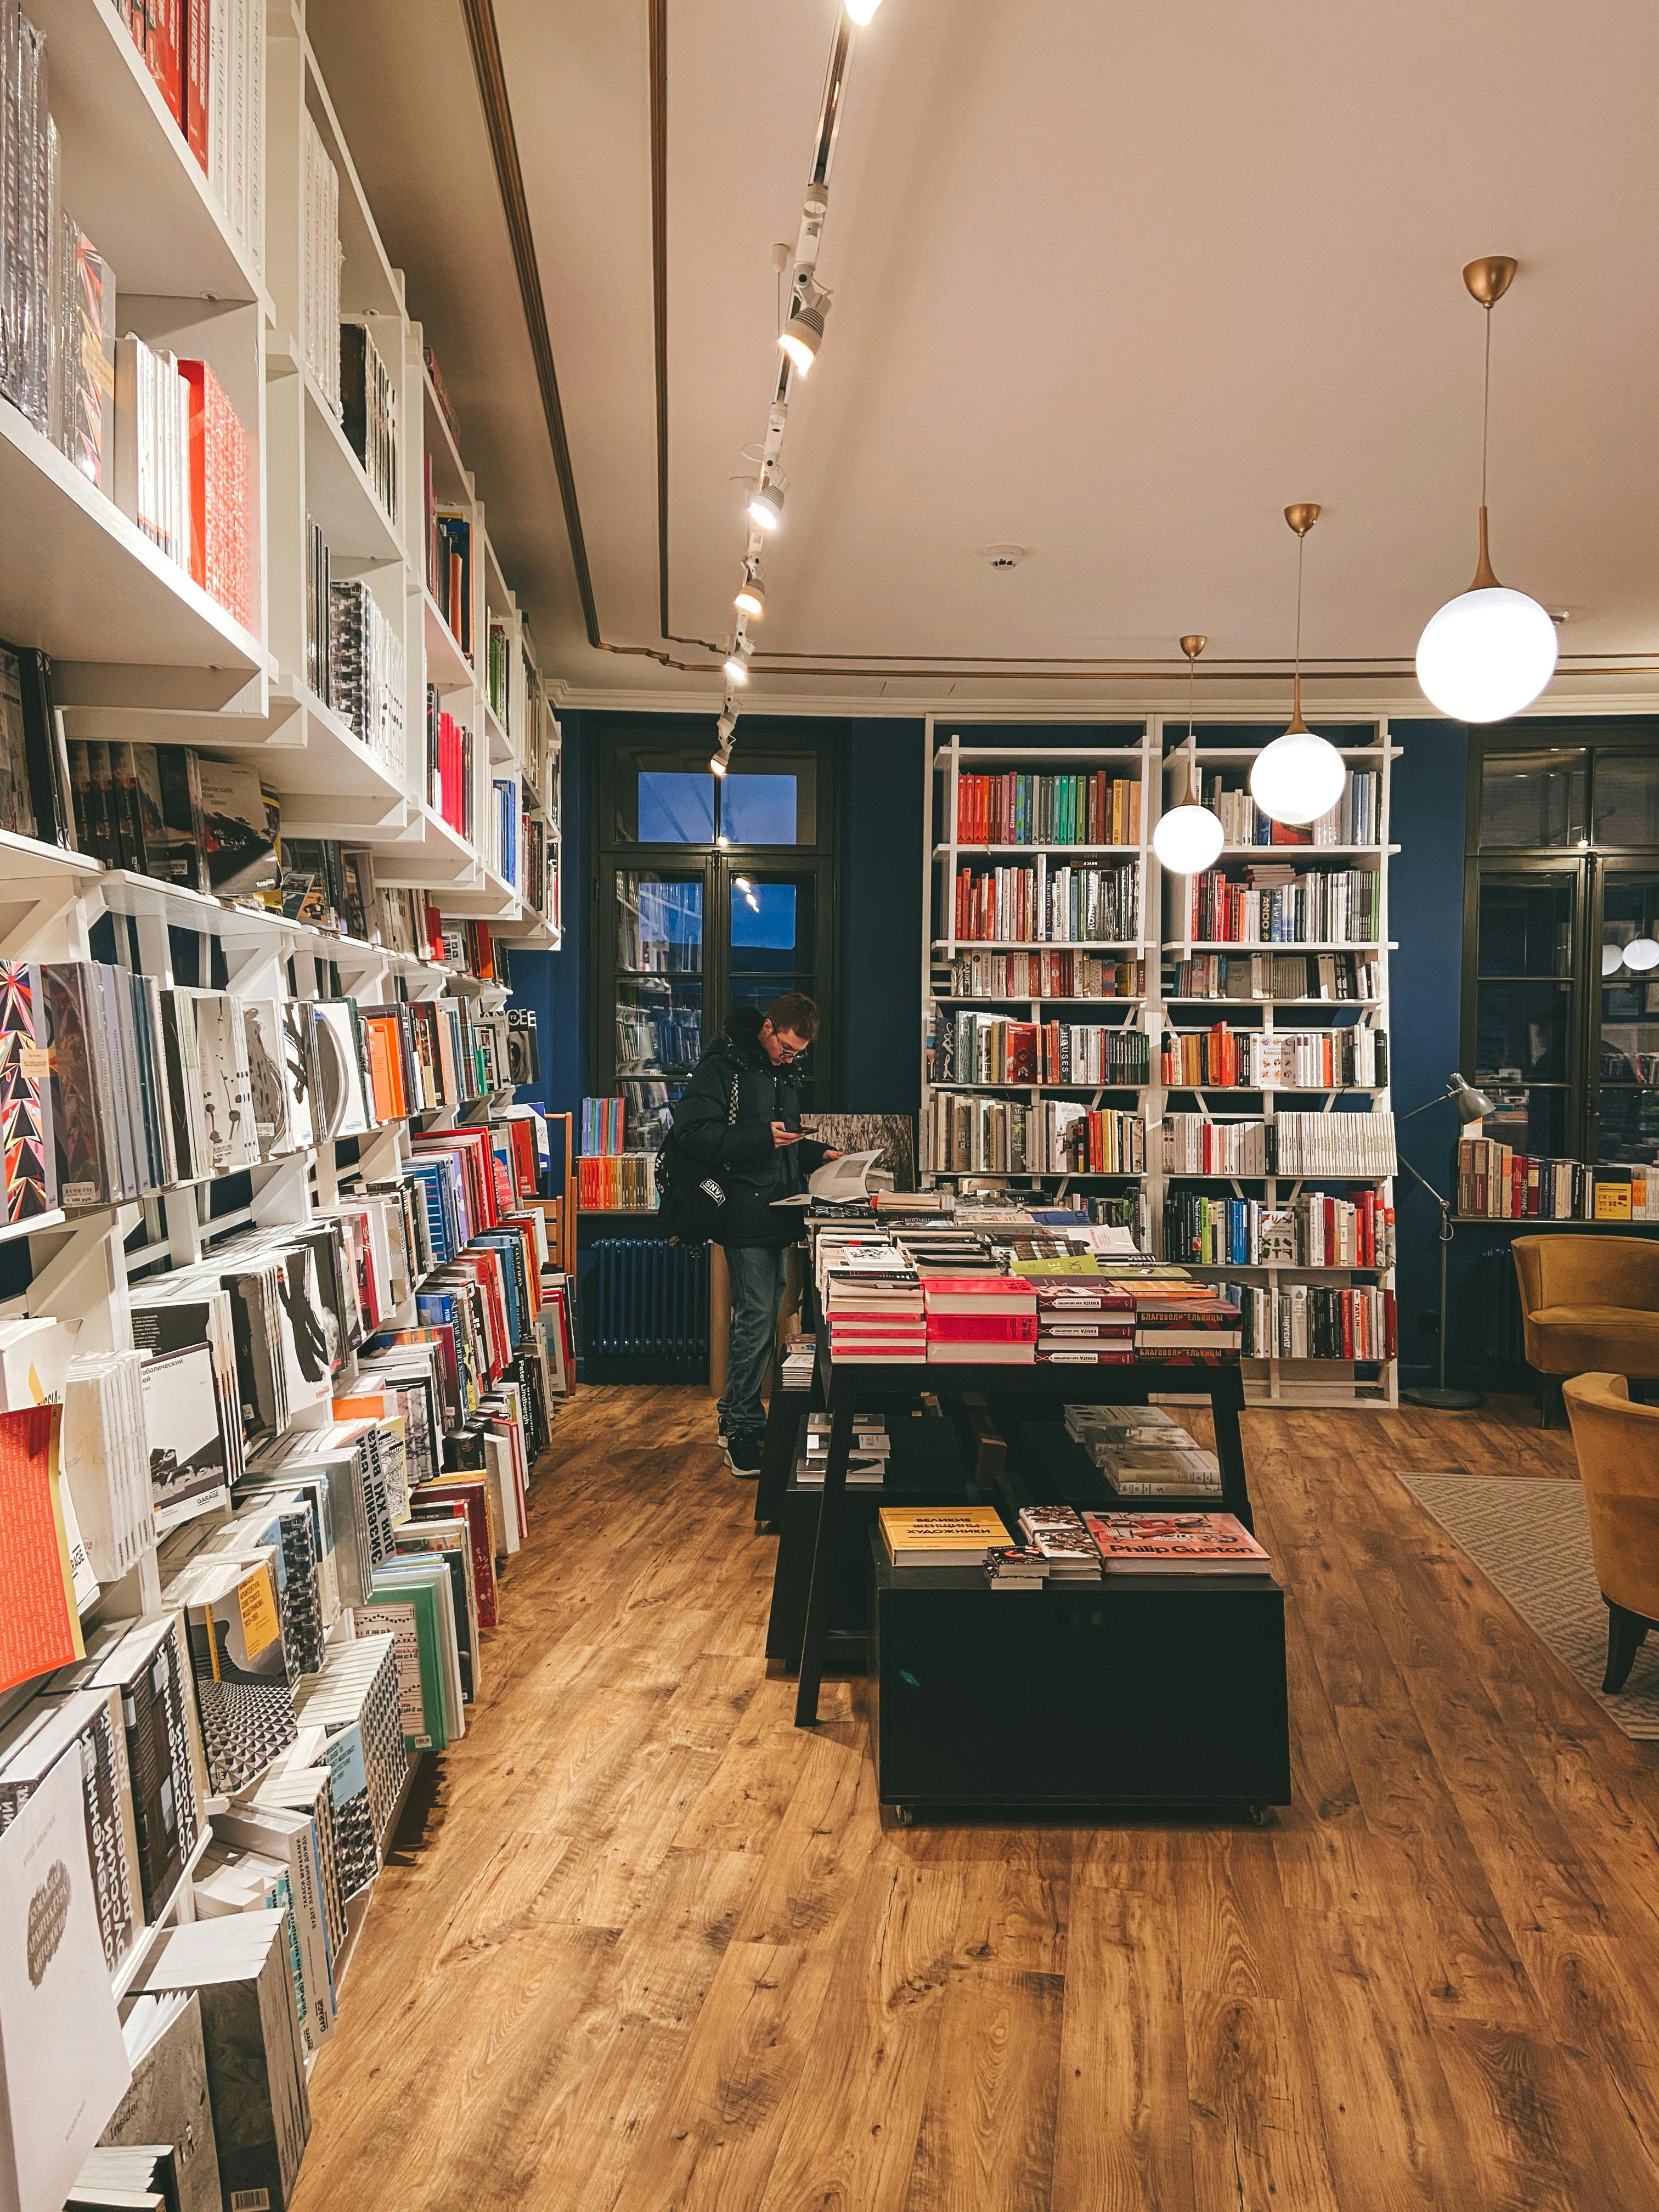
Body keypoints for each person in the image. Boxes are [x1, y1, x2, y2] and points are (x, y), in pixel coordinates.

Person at [670, 992, 838, 1476]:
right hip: (743, 1212)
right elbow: (693, 1135)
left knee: (767, 1317)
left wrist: (817, 1153)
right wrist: (763, 1138)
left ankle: (744, 1418)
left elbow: (781, 1145)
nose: (791, 1058)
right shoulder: (722, 1067)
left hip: (778, 1210)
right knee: (756, 1317)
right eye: (786, 1048)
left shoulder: (781, 1071)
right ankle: (739, 1423)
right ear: (768, 1028)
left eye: (798, 1054)